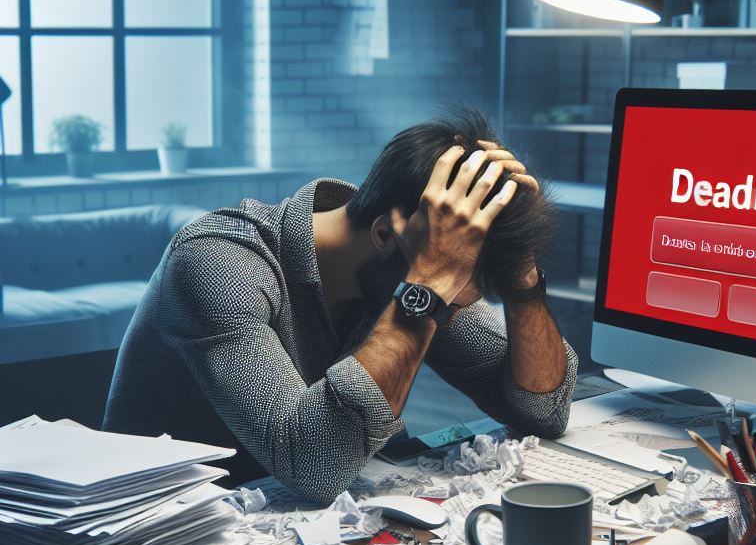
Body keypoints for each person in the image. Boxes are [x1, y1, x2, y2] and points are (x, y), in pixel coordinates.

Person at [103, 109, 578, 503]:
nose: (454, 309)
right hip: (168, 537)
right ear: (386, 233)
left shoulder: (413, 265)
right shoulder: (217, 263)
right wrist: (428, 285)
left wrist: (523, 282)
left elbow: (544, 410)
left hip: (292, 525)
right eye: (450, 288)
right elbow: (317, 463)